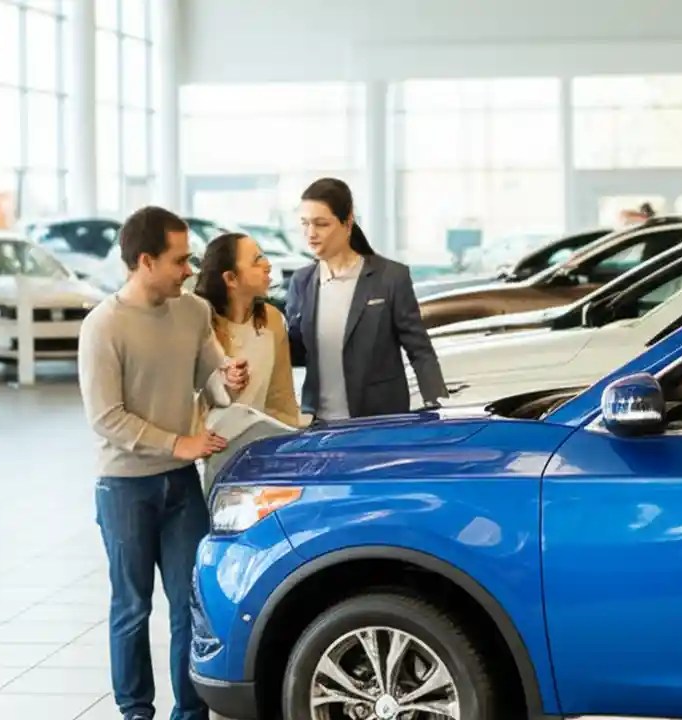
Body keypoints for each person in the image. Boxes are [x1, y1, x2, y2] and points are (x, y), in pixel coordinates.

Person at [77, 206, 248, 720]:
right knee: (132, 608)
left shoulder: (193, 311)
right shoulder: (102, 326)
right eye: (180, 260)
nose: (190, 269)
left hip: (180, 484)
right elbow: (107, 418)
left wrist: (228, 382)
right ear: (145, 261)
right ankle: (135, 711)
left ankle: (190, 713)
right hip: (125, 487)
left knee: (189, 607)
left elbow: (208, 382)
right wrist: (179, 443)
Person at [284, 177, 447, 422]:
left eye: (321, 224)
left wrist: (435, 403)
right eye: (305, 224)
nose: (311, 234)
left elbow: (419, 348)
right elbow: (295, 350)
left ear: (348, 222)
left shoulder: (390, 277)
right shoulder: (302, 281)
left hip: (380, 418)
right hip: (318, 422)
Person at [193, 232, 303, 427]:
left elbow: (280, 400)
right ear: (231, 278)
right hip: (201, 448)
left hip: (255, 443)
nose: (268, 265)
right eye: (256, 261)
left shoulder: (272, 320)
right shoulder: (196, 322)